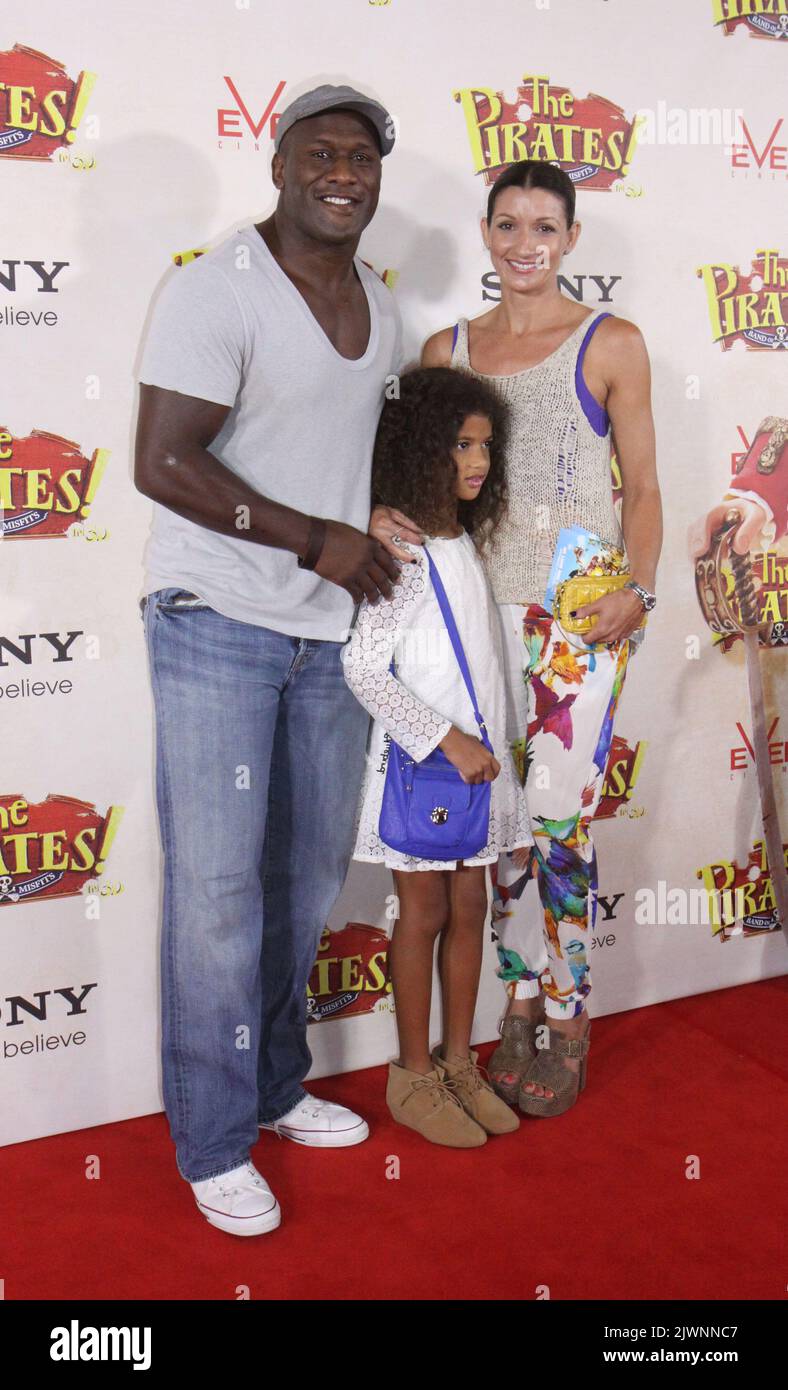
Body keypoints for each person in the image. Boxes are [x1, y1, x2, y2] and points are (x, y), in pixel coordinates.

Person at [134, 84, 405, 1236]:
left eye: (360, 157)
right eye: (320, 152)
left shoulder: (377, 304)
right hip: (217, 619)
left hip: (326, 635)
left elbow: (342, 447)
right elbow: (161, 459)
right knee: (213, 893)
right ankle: (210, 1139)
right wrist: (314, 540)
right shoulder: (215, 287)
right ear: (280, 162)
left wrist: (372, 531)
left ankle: (272, 1083)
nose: (342, 173)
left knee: (300, 882)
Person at [374, 159, 662, 1118]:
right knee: (499, 832)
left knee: (560, 825)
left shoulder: (611, 342)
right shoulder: (444, 347)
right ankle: (517, 1004)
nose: (525, 243)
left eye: (545, 226)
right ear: (488, 234)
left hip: (580, 617)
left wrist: (643, 590)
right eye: (508, 225)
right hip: (473, 618)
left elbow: (646, 487)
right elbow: (414, 472)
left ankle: (571, 1017)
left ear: (571, 238)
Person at [342, 367, 533, 1147]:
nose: (477, 461)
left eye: (486, 445)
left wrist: (489, 756)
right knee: (420, 913)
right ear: (424, 448)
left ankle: (460, 1062)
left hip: (479, 771)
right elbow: (362, 668)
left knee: (471, 907)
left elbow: (482, 672)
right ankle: (412, 1072)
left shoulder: (460, 542)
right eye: (461, 444)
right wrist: (444, 740)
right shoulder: (407, 550)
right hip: (422, 774)